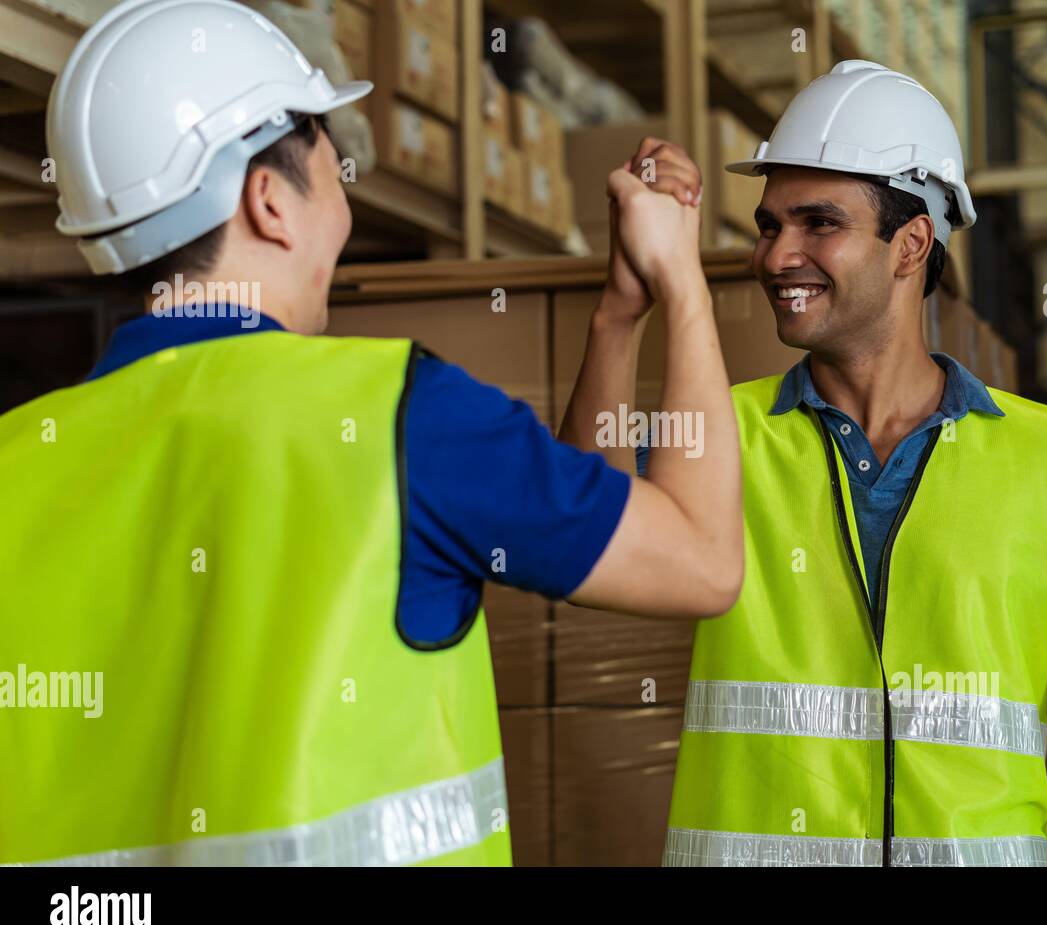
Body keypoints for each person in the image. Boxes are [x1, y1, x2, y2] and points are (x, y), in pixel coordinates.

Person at [0, 0, 740, 866]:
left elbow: (578, 523)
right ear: (269, 200)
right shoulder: (399, 412)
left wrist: (619, 317)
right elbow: (697, 558)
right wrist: (682, 281)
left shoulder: (20, 456)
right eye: (329, 153)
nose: (343, 188)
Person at [563, 60, 1047, 866]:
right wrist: (622, 307)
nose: (778, 255)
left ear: (911, 243)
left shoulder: (1046, 453)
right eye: (768, 225)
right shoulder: (723, 431)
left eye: (819, 223)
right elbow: (579, 536)